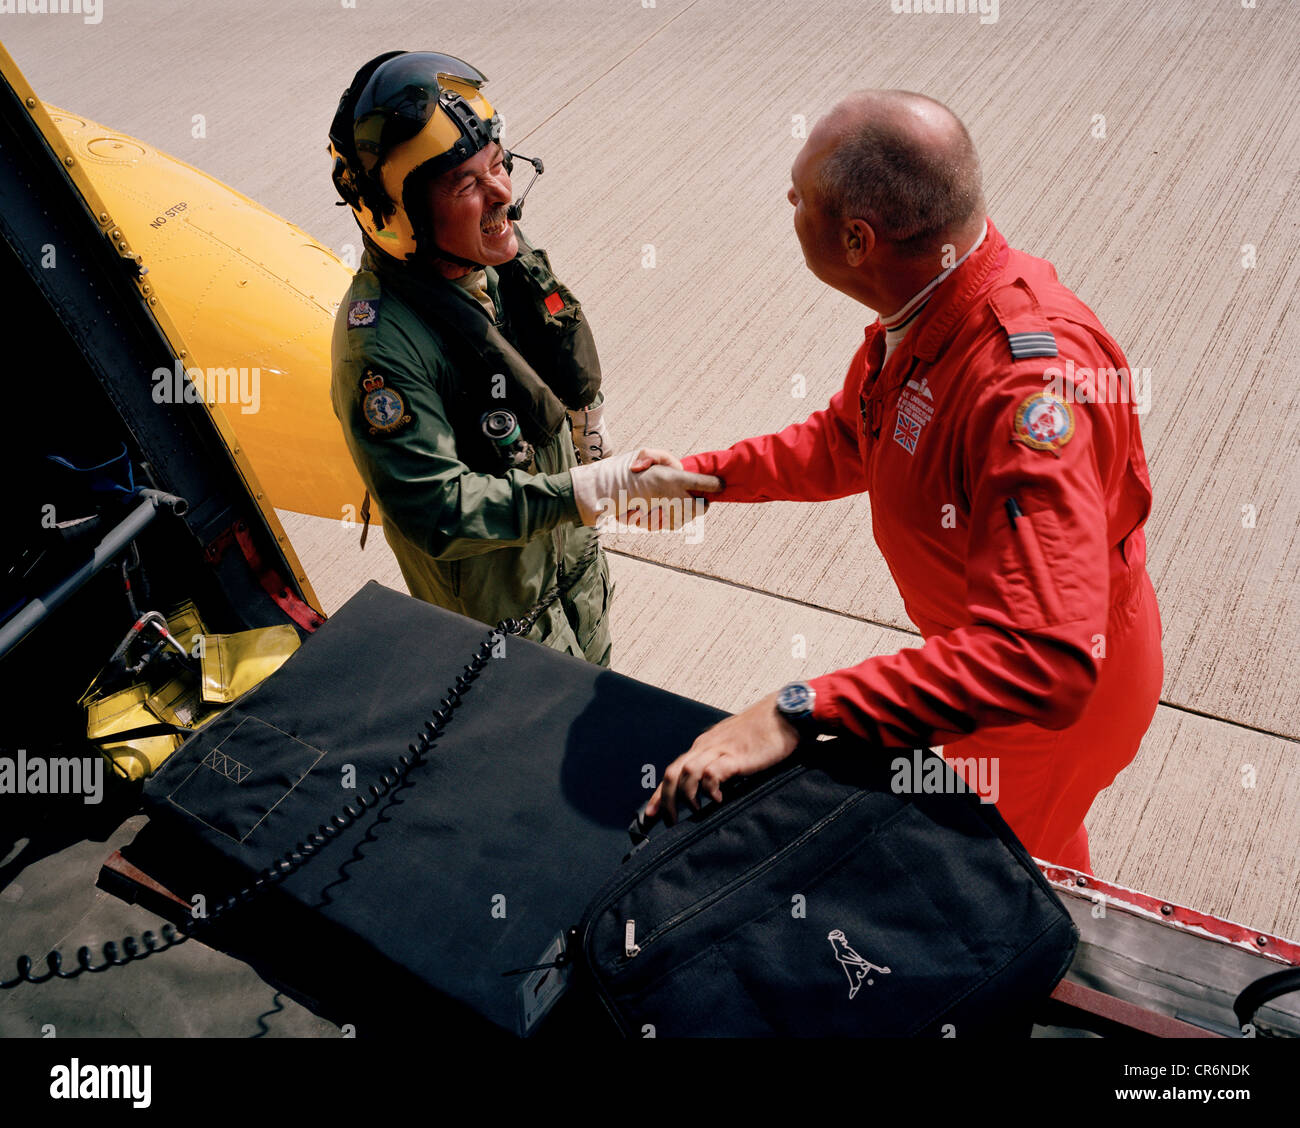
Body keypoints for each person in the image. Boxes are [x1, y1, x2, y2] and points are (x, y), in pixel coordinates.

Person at [639, 90, 1162, 875]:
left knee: (984, 893)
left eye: (800, 194)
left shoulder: (1027, 393)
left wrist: (800, 709)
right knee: (1039, 854)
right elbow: (853, 436)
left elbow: (1042, 654)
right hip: (983, 673)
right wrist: (706, 478)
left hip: (1037, 711)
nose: (788, 200)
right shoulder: (933, 311)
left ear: (857, 239)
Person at [327, 51, 714, 664]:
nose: (502, 193)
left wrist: (592, 447)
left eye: (500, 165)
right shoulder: (380, 348)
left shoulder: (487, 254)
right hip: (502, 645)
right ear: (397, 215)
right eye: (468, 184)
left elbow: (558, 346)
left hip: (573, 585)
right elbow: (439, 510)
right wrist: (590, 491)